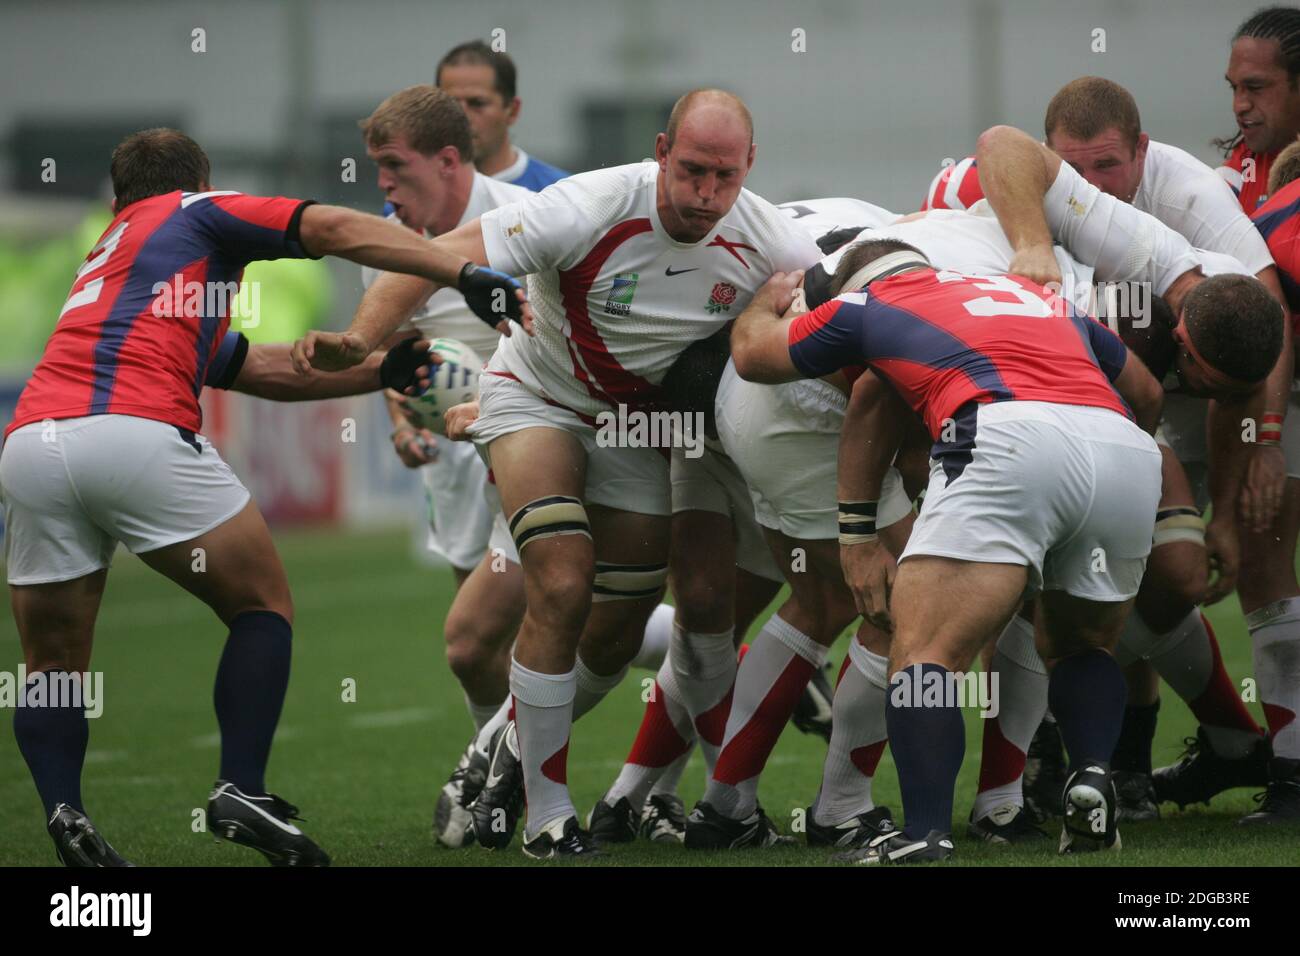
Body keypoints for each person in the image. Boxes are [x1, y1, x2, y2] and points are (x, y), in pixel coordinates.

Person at [293, 88, 821, 857]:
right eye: (694, 171)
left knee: (613, 637)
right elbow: (441, 256)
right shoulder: (591, 204)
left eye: (726, 177)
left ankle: (498, 753)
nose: (707, 194)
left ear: (750, 168)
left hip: (636, 429)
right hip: (535, 397)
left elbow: (847, 310)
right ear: (662, 150)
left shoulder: (769, 239)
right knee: (563, 580)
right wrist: (359, 336)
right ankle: (548, 819)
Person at [0, 127, 524, 867]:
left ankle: (64, 808)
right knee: (260, 606)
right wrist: (462, 271)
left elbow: (259, 368)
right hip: (134, 433)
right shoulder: (195, 211)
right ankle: (240, 786)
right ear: (199, 180)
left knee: (53, 664)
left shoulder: (116, 258)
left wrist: (385, 369)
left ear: (118, 198)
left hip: (30, 444)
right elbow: (334, 227)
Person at [731, 233, 1172, 861]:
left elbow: (753, 356)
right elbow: (1148, 393)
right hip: (1123, 444)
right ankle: (1094, 777)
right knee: (1081, 644)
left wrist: (761, 304)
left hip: (1003, 432)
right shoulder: (1029, 294)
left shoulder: (868, 304)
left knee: (925, 654)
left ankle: (925, 834)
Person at [436, 40, 568, 192]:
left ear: (512, 111)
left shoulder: (556, 194)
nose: (461, 117)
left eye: (477, 103)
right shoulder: (415, 194)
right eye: (451, 103)